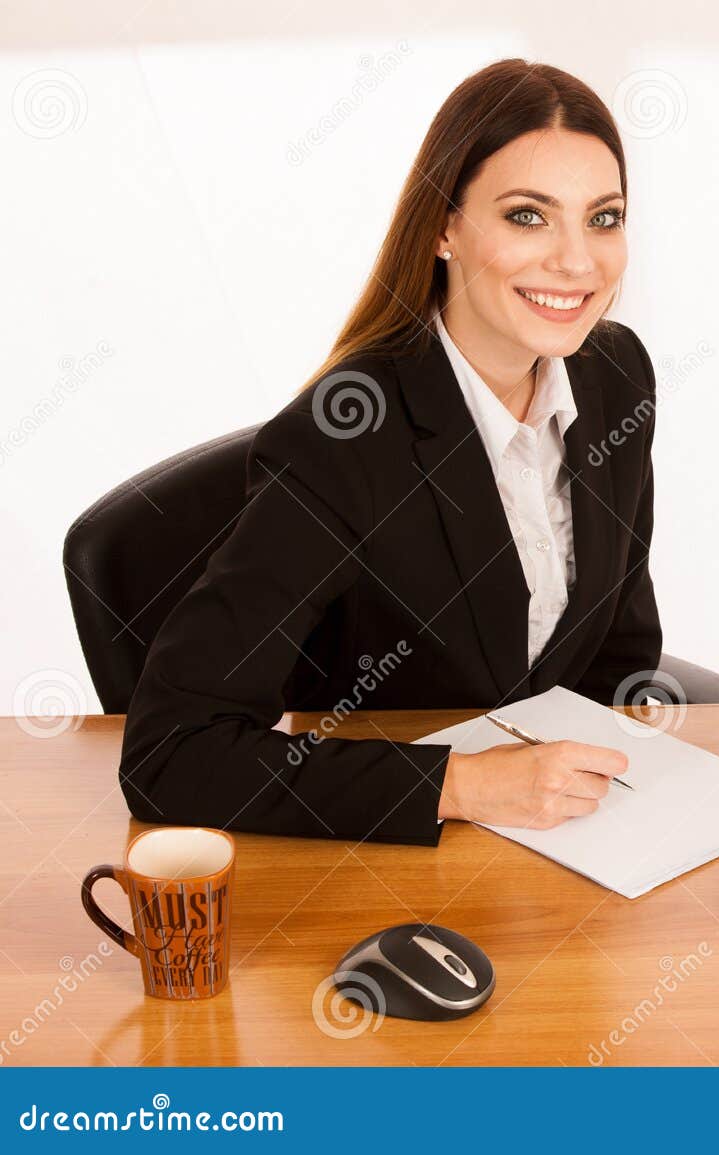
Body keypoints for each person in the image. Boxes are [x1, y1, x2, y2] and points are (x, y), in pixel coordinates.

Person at [120, 60, 659, 846]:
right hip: (392, 867)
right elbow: (170, 753)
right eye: (528, 217)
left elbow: (620, 646)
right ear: (443, 227)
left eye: (603, 218)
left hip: (566, 853)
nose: (578, 262)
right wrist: (463, 784)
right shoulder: (345, 441)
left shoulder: (614, 375)